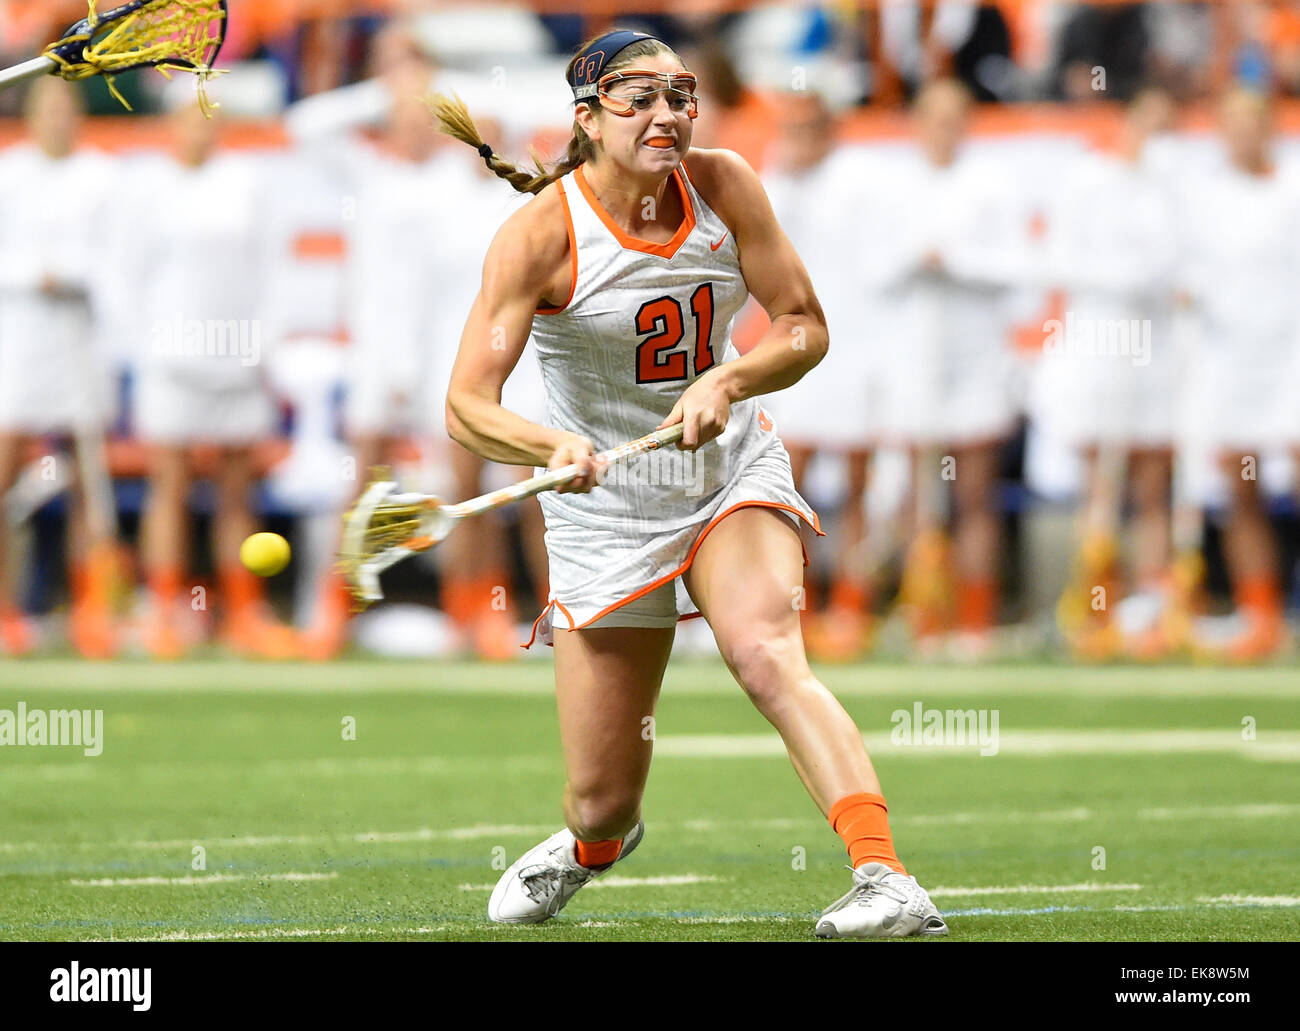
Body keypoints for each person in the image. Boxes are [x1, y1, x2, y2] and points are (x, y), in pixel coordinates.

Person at [432, 29, 948, 938]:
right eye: (641, 98)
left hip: (725, 472)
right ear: (587, 119)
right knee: (598, 799)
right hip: (606, 511)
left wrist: (732, 378)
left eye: (682, 95)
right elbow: (467, 406)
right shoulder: (541, 235)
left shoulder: (725, 184)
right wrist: (548, 444)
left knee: (764, 650)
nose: (668, 115)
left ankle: (885, 875)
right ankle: (594, 847)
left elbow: (802, 324)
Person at [125, 101, 296, 659]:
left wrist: (264, 343)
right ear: (171, 127)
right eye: (186, 121)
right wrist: (144, 347)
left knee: (236, 493)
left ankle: (245, 612)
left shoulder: (248, 185)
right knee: (168, 487)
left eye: (205, 120)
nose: (196, 131)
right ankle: (164, 611)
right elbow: (128, 276)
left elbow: (272, 267)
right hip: (171, 361)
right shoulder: (146, 188)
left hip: (239, 361)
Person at [1029, 88, 1180, 659]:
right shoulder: (1089, 179)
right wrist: (1127, 277)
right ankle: (1095, 600)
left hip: (1155, 349)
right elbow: (1064, 258)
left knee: (1150, 479)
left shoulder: (1174, 185)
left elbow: (1181, 263)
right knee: (1101, 476)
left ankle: (1154, 605)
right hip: (1098, 342)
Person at [1177, 86, 1300, 660]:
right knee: (1239, 486)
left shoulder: (1292, 187)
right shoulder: (1205, 198)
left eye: (1251, 124)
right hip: (1231, 359)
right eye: (1230, 125)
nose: (1241, 135)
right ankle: (1261, 613)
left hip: (1290, 354)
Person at [0, 78, 119, 658]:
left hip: (80, 338)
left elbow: (118, 259)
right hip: (19, 340)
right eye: (46, 109)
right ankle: (6, 610)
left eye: (65, 108)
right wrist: (32, 275)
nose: (56, 119)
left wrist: (71, 273)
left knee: (87, 484)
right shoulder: (8, 172)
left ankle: (92, 609)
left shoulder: (102, 176)